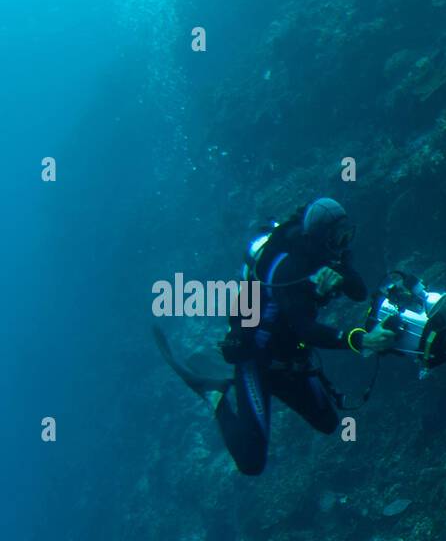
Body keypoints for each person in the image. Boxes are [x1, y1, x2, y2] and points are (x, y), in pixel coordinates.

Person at [158, 198, 396, 475]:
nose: (344, 243)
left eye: (348, 233)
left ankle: (257, 392)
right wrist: (362, 340)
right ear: (320, 236)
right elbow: (305, 330)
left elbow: (359, 291)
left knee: (328, 423)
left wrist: (340, 274)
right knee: (251, 462)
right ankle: (216, 396)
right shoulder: (287, 269)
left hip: (291, 360)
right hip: (257, 362)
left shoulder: (330, 255)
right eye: (338, 236)